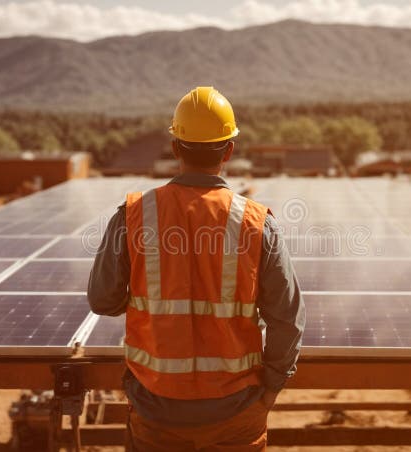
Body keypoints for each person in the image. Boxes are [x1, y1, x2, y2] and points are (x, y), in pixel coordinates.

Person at [87, 86, 305, 451]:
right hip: (236, 410)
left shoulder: (134, 215)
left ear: (174, 148)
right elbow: (287, 317)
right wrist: (270, 389)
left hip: (155, 408)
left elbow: (102, 301)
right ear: (229, 150)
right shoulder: (256, 223)